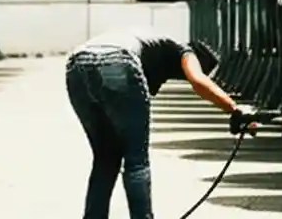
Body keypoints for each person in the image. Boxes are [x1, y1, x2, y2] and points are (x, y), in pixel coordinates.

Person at [65, 27, 255, 219]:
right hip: (118, 60)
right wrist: (235, 109)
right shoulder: (183, 50)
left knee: (105, 158)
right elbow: (199, 81)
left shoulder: (154, 47)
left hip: (77, 64)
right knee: (136, 160)